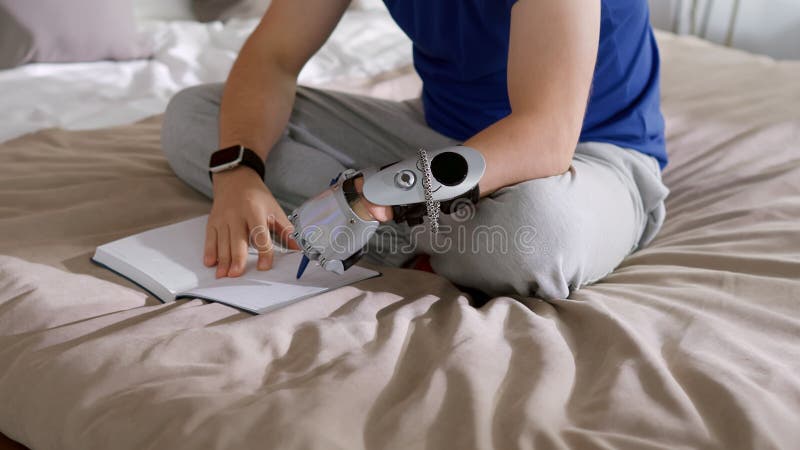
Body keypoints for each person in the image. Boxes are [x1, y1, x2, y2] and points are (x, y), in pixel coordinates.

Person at [161, 0, 670, 299]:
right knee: (198, 116)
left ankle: (387, 227)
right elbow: (273, 57)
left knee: (537, 235)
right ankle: (430, 236)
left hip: (584, 159)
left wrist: (376, 195)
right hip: (435, 133)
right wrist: (239, 172)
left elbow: (545, 136)